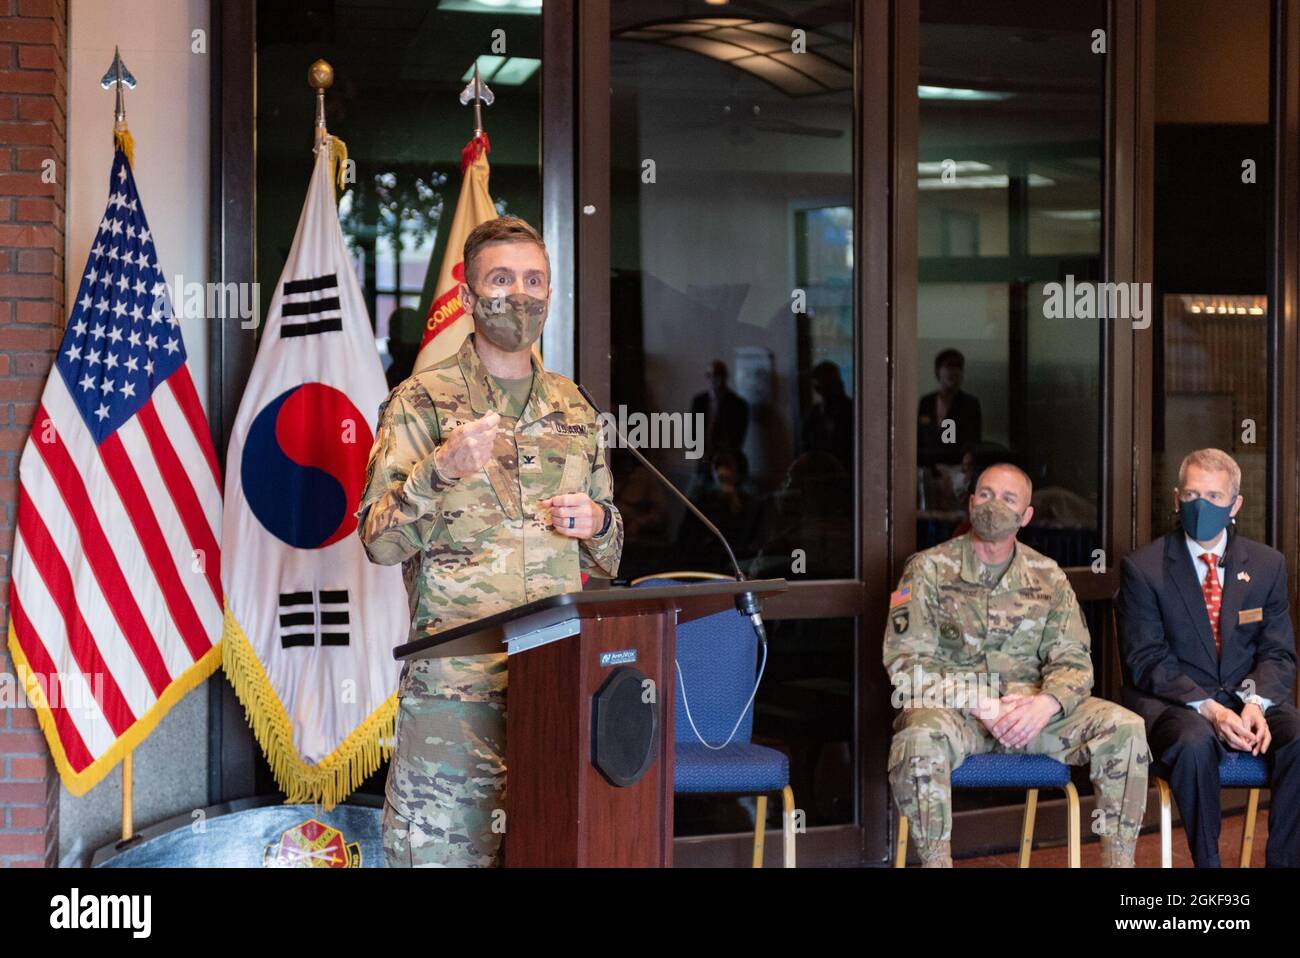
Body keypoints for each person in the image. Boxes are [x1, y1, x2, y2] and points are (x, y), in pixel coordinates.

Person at [357, 216, 624, 866]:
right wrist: (439, 471)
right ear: (469, 297)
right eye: (502, 280)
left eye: (535, 280)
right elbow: (378, 540)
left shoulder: (575, 408)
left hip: (557, 691)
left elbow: (609, 558)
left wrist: (599, 523)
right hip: (457, 700)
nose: (520, 295)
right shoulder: (422, 403)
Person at [885, 463, 1149, 867]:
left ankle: (1119, 861)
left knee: (1125, 728)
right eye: (986, 495)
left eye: (1008, 499)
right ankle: (935, 862)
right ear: (971, 503)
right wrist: (979, 703)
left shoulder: (1048, 576)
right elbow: (906, 663)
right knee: (916, 740)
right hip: (957, 716)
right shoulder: (927, 570)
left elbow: (1074, 661)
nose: (994, 506)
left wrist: (1047, 704)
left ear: (1025, 516)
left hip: (1033, 717)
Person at [1117, 448, 1300, 867]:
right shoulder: (1143, 568)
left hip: (1247, 697)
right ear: (1177, 498)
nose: (1202, 505)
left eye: (1215, 497)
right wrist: (1212, 710)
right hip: (1176, 703)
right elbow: (1145, 659)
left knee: (1299, 738)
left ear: (1235, 505)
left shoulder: (1268, 565)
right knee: (1195, 742)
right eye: (1192, 494)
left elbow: (1277, 651)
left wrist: (1255, 703)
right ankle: (1208, 863)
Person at [917, 348, 982, 468]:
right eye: (949, 366)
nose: (954, 372)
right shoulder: (926, 402)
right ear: (938, 371)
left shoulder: (970, 404)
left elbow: (973, 442)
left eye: (958, 367)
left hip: (957, 469)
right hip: (925, 467)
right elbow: (919, 438)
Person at [690, 359, 749, 477]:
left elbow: (737, 438)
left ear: (725, 377)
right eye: (711, 375)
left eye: (719, 375)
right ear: (707, 377)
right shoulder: (699, 401)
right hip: (703, 461)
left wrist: (722, 454)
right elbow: (693, 430)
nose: (715, 379)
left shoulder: (738, 404)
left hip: (727, 462)